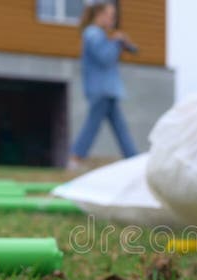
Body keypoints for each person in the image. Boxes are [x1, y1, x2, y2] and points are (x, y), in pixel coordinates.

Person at [69, 2, 138, 170]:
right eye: (111, 15)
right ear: (100, 15)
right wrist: (116, 42)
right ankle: (75, 158)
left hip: (108, 90)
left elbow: (133, 50)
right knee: (93, 125)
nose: (113, 20)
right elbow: (105, 58)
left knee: (119, 127)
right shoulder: (93, 34)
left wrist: (121, 42)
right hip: (101, 89)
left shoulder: (101, 35)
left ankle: (134, 160)